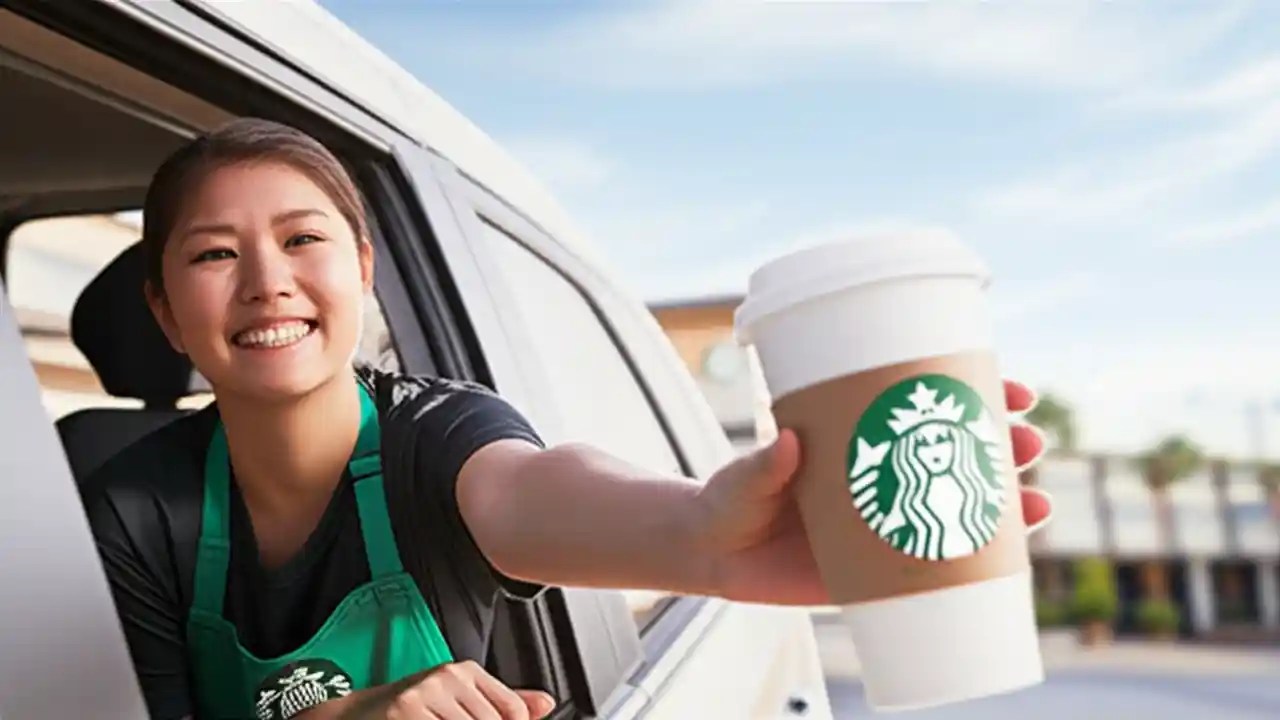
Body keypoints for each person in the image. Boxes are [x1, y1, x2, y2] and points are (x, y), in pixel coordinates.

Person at [79, 118, 1054, 720]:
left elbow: (539, 488)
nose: (266, 282)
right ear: (164, 309)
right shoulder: (131, 508)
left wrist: (701, 533)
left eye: (302, 238)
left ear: (363, 270)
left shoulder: (436, 441)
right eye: (214, 254)